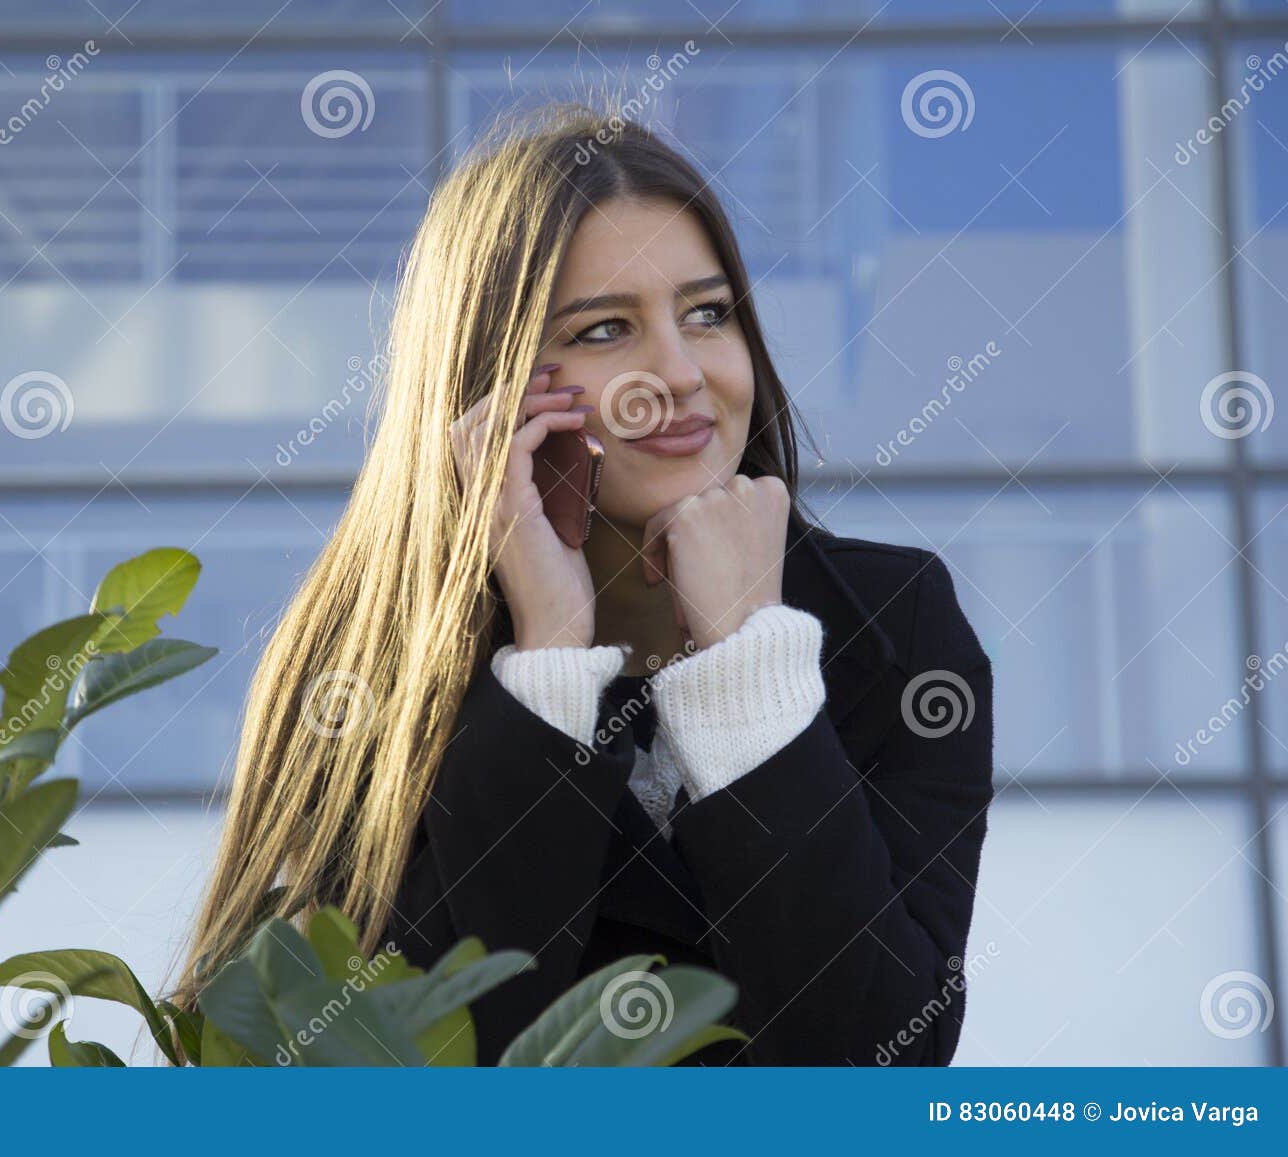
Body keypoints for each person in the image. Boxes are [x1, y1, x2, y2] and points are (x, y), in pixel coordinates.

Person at [173, 100, 994, 1066]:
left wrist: (745, 661)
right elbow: (402, 1062)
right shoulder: (367, 668)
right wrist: (550, 659)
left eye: (708, 312)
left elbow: (880, 1059)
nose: (680, 372)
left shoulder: (893, 626)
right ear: (494, 389)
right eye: (606, 330)